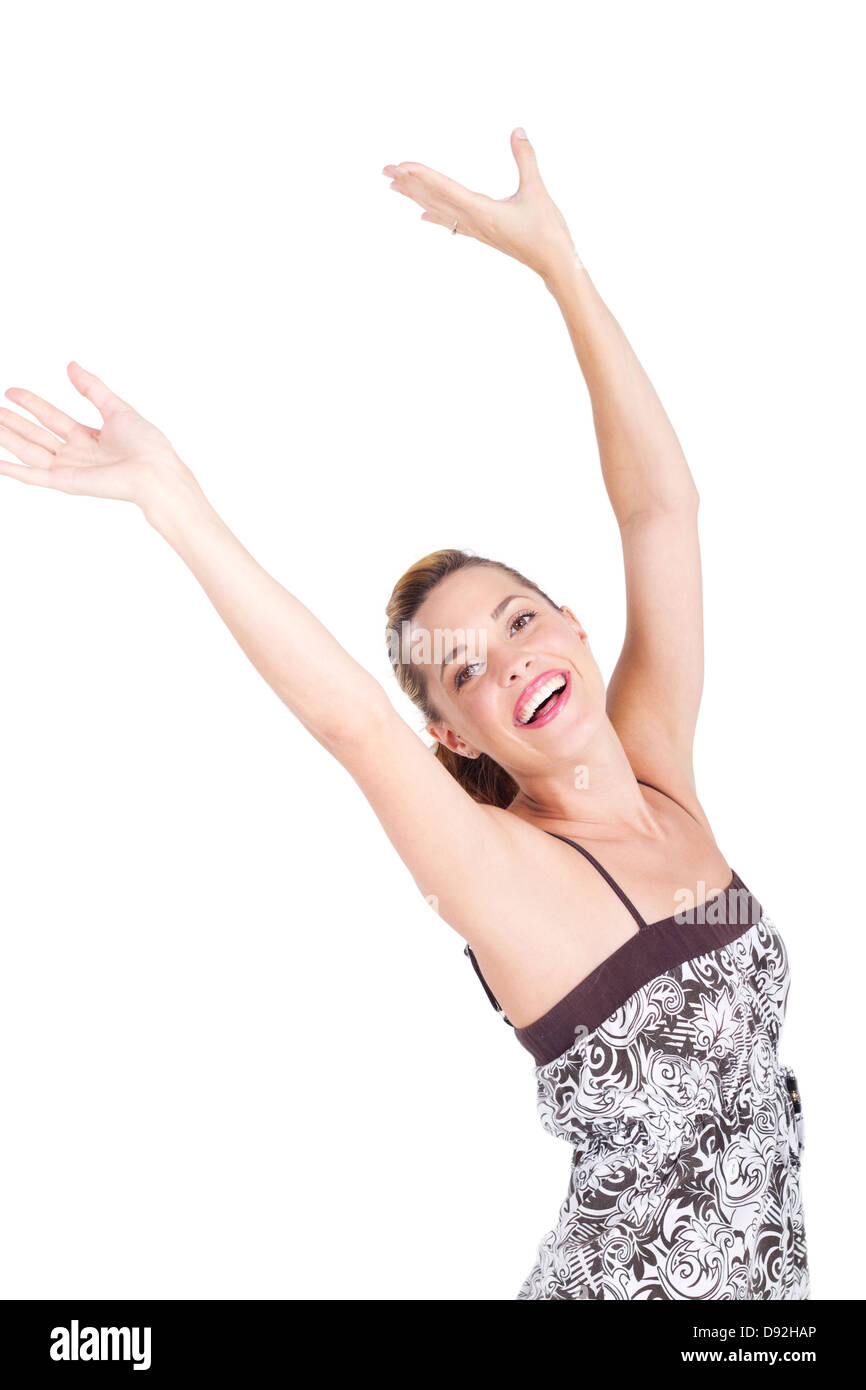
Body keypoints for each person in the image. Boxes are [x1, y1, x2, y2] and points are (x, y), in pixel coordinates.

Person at [0, 128, 808, 1301]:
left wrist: (559, 267)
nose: (512, 659)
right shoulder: (504, 875)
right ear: (458, 740)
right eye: (465, 670)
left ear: (574, 629)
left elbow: (661, 514)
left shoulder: (658, 771)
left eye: (522, 620)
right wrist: (167, 496)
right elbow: (354, 726)